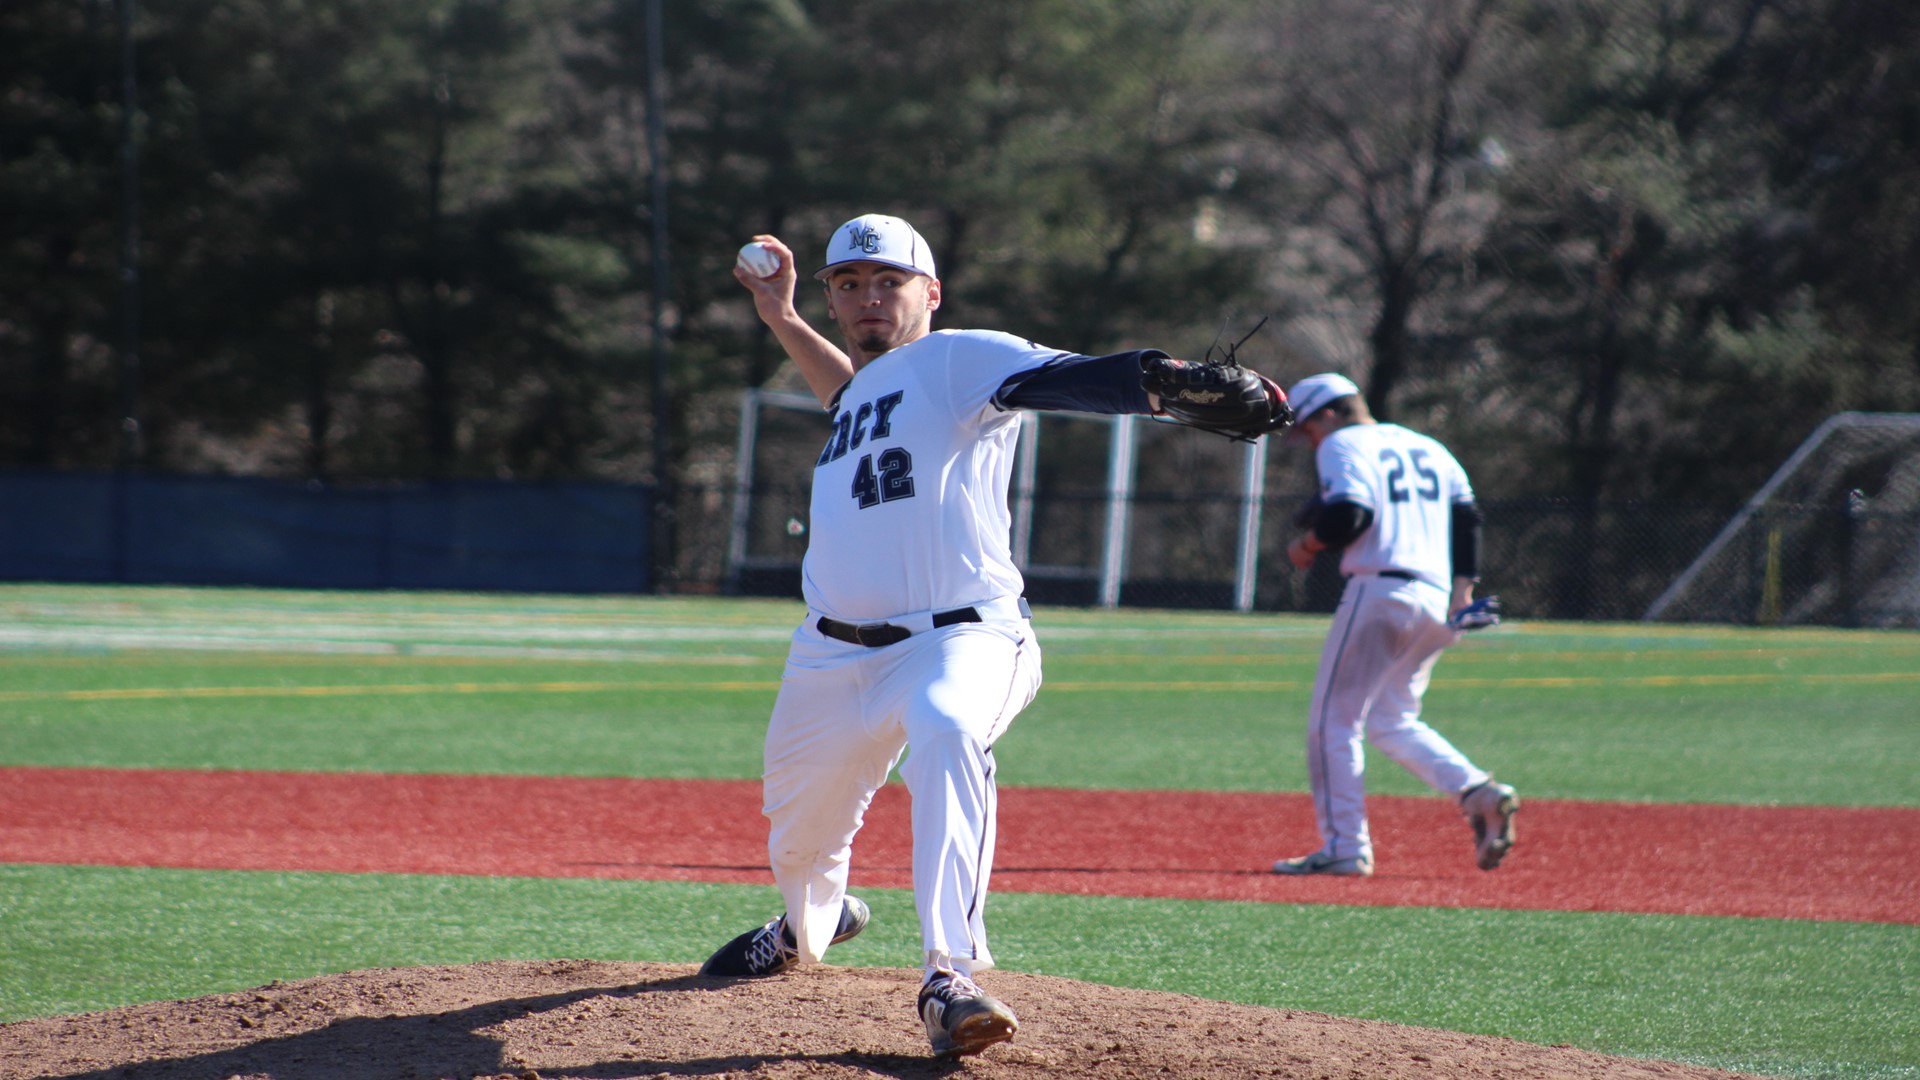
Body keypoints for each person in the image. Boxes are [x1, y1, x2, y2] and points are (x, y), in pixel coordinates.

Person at [701, 213, 1288, 1058]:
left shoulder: (959, 359)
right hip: (829, 657)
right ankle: (804, 927)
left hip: (961, 638)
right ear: (832, 299)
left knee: (947, 730)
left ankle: (950, 975)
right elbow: (849, 393)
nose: (869, 297)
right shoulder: (866, 392)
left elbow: (1067, 379)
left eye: (890, 281)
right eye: (850, 284)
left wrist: (1161, 382)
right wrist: (782, 317)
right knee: (797, 836)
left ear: (931, 293)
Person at [1270, 372, 1517, 877]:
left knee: (1332, 722)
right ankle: (1479, 793)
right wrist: (1463, 591)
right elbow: (1467, 520)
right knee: (1390, 719)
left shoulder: (1341, 443)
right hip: (1439, 599)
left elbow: (1351, 515)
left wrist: (1307, 545)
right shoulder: (1430, 447)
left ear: (1328, 414)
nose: (1310, 440)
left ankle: (1345, 848)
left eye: (1308, 428)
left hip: (1381, 590)